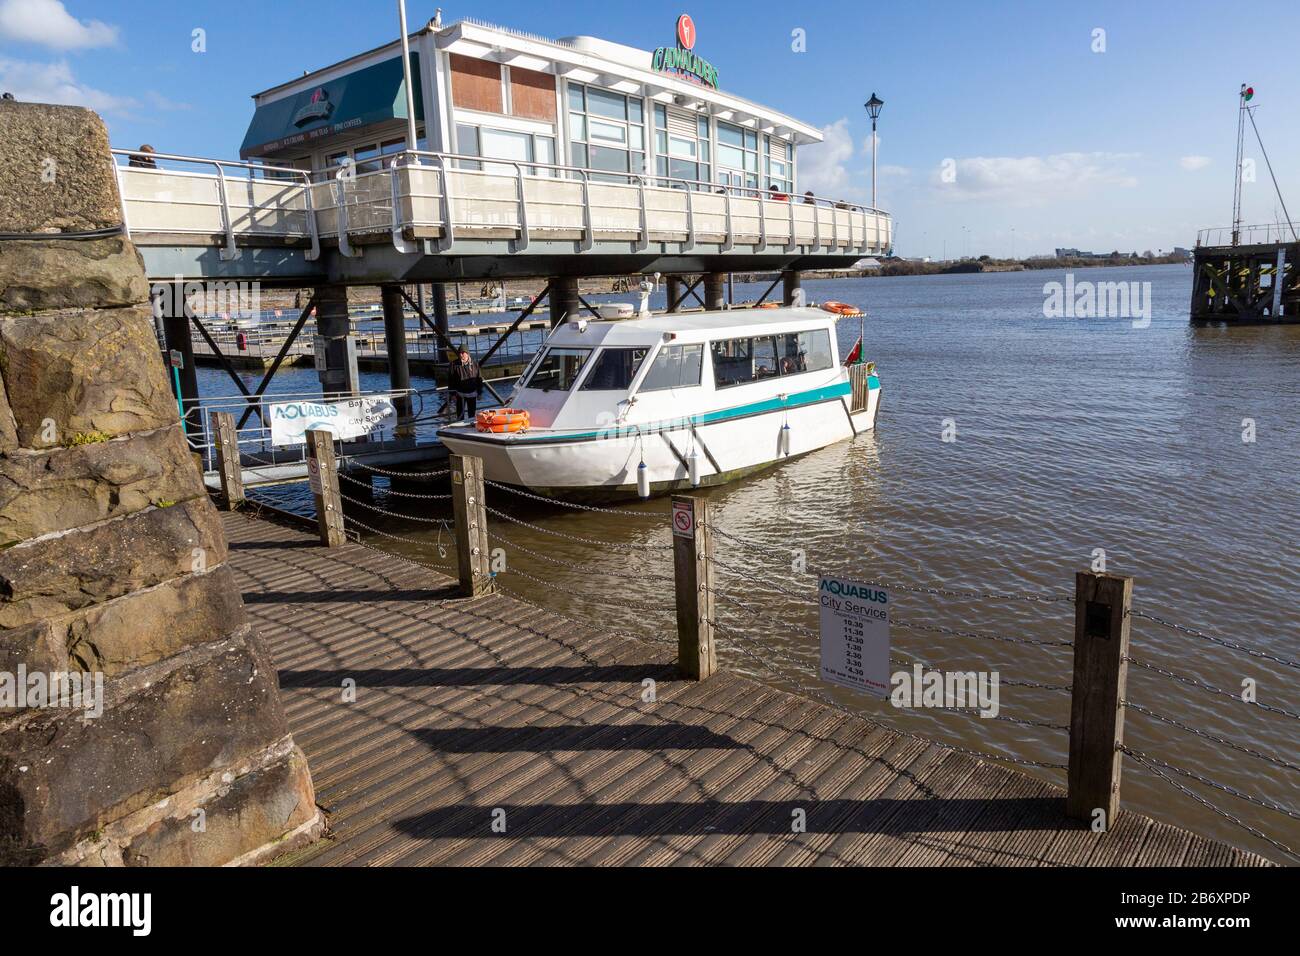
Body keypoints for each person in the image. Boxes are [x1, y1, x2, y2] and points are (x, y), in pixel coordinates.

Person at [450, 347, 482, 420]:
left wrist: (479, 393)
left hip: (472, 393)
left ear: (467, 353)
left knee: (472, 414)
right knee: (460, 414)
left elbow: (479, 378)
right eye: (459, 353)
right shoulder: (454, 364)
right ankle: (460, 428)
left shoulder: (474, 364)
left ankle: (471, 427)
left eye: (463, 353)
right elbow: (450, 380)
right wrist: (452, 394)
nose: (461, 355)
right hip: (460, 394)